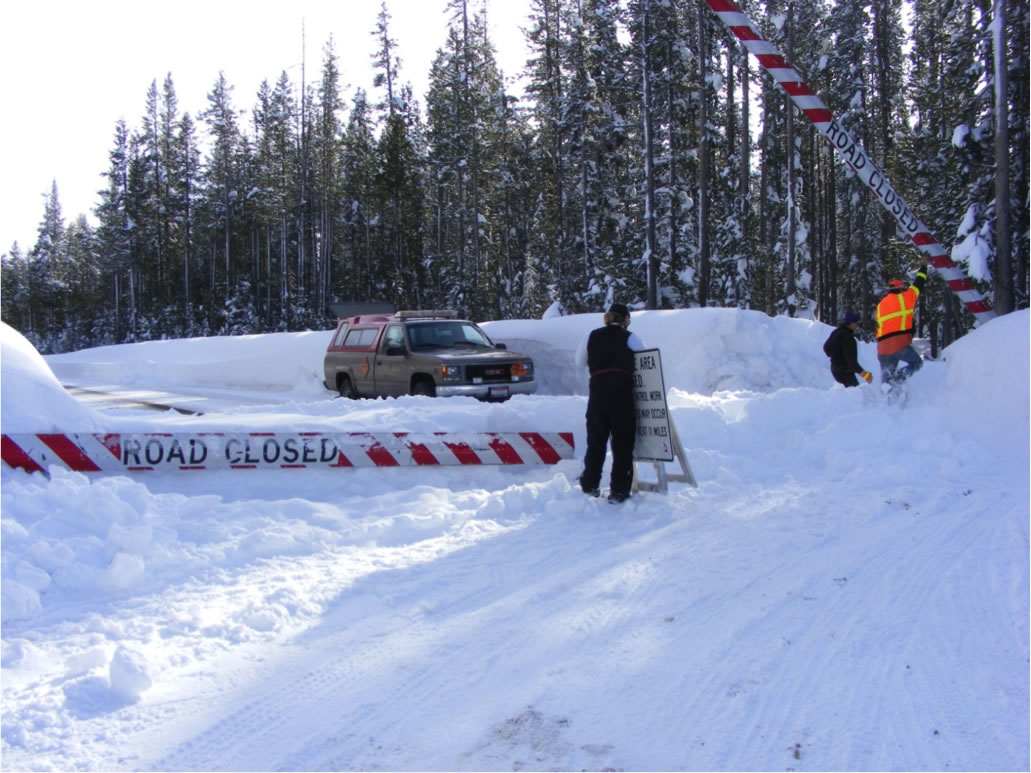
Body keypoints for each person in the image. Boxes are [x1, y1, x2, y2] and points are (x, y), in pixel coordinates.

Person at [574, 303, 646, 504]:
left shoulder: (590, 336)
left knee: (595, 443)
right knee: (622, 446)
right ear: (625, 319)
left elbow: (579, 362)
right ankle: (619, 491)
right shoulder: (630, 338)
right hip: (622, 399)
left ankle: (589, 485)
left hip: (597, 397)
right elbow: (646, 362)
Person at [875, 265, 928, 385]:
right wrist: (923, 267)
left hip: (882, 347)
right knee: (916, 363)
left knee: (886, 378)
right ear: (901, 288)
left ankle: (885, 398)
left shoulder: (881, 305)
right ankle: (899, 377)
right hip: (898, 344)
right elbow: (919, 283)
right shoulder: (906, 297)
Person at [823, 310, 873, 388]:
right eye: (855, 323)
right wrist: (865, 375)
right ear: (850, 323)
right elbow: (852, 362)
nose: (857, 325)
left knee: (846, 394)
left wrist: (836, 355)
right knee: (855, 394)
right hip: (845, 372)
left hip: (834, 369)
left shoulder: (836, 332)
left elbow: (826, 348)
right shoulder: (849, 338)